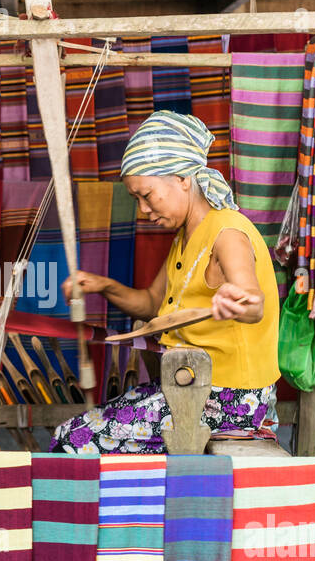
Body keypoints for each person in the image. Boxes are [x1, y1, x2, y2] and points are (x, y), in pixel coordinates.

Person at [50, 110, 280, 455]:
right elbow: (151, 303)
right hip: (195, 386)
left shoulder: (227, 232)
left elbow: (253, 301)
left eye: (148, 194)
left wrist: (241, 300)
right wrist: (102, 285)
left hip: (230, 400)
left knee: (71, 440)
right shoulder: (185, 239)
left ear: (183, 179)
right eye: (136, 199)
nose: (143, 209)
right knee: (88, 422)